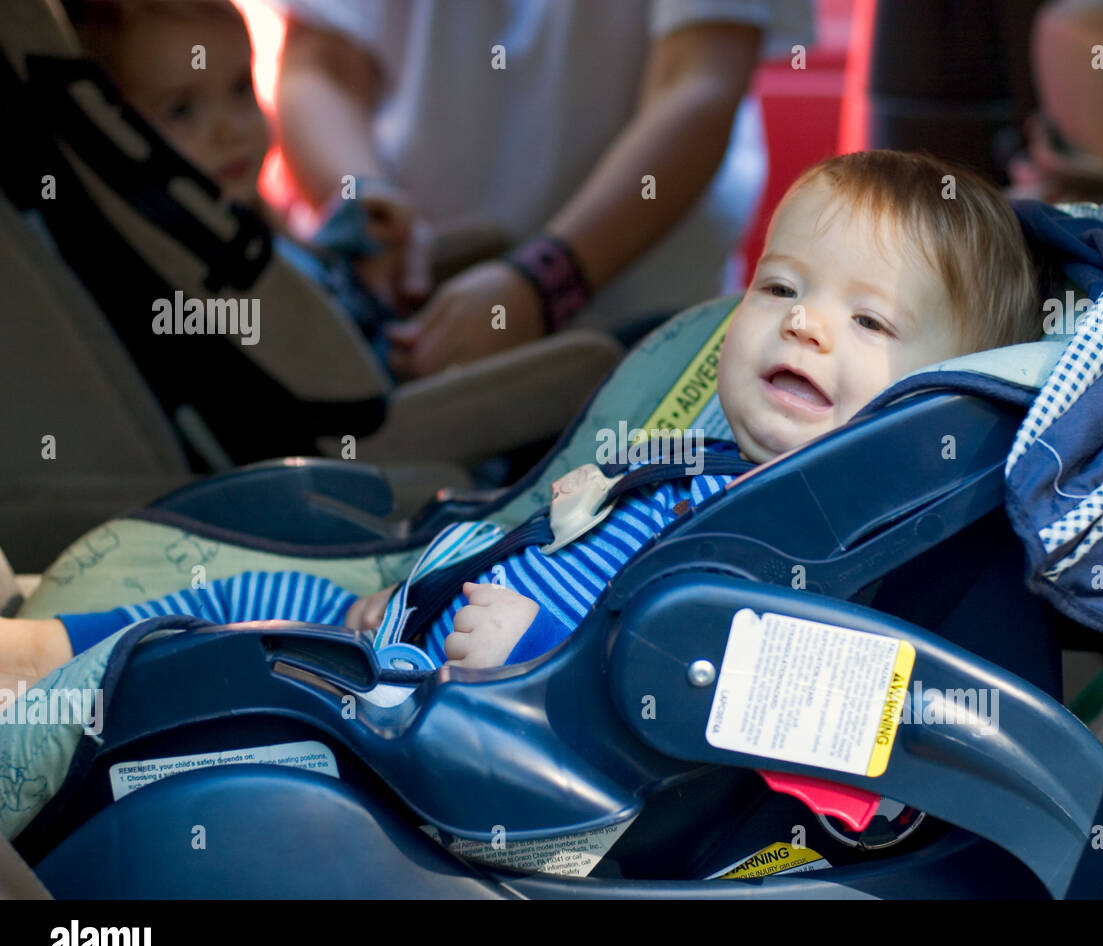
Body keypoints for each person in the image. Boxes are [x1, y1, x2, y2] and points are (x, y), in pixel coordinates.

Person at [0, 149, 1044, 697]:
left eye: (867, 319)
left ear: (941, 401)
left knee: (240, 665)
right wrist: (458, 570)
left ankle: (73, 686)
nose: (807, 326)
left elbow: (720, 689)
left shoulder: (827, 553)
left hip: (502, 709)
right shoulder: (712, 462)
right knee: (273, 598)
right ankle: (48, 644)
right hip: (427, 626)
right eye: (778, 288)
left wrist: (545, 644)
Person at [273, 0, 815, 379]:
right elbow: (320, 65)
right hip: (403, 321)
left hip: (639, 341)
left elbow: (698, 85)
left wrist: (544, 284)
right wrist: (370, 212)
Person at [65, 0, 407, 354]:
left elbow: (316, 272)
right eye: (181, 110)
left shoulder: (254, 240)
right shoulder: (208, 291)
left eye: (241, 88)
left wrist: (357, 222)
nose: (229, 130)